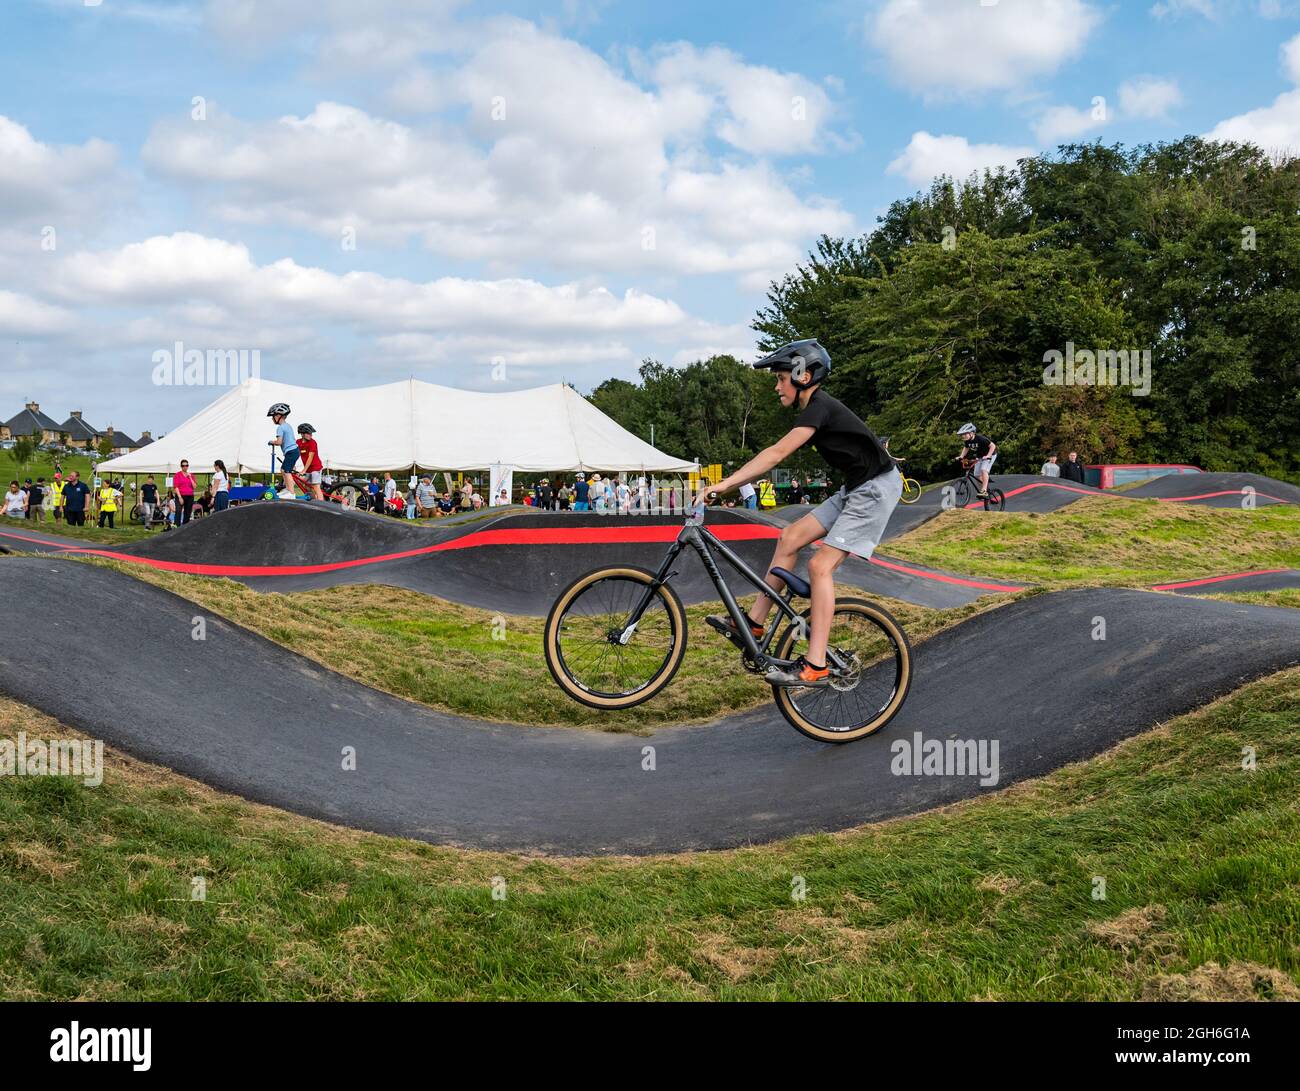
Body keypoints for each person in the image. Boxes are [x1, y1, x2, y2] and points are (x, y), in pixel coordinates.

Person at [696, 337, 900, 688]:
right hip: (855, 488)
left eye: (780, 378)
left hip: (875, 489)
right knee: (789, 537)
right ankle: (755, 624)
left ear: (803, 375)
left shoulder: (819, 406)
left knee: (820, 566)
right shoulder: (816, 408)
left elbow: (776, 454)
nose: (777, 387)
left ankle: (816, 663)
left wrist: (724, 484)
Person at [955, 423, 997, 498]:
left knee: (983, 470)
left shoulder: (980, 438)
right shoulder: (967, 441)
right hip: (980, 457)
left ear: (972, 433)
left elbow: (993, 446)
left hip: (991, 455)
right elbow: (966, 448)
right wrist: (961, 456)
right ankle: (984, 490)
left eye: (965, 434)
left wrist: (988, 456)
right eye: (962, 434)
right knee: (977, 475)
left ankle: (984, 490)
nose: (963, 436)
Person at [266, 403, 299, 498]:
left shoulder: (280, 428)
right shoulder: (287, 425)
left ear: (278, 416)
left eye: (273, 417)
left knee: (286, 471)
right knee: (283, 470)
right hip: (294, 451)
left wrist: (272, 442)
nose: (272, 419)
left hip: (291, 451)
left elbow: (279, 442)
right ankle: (288, 489)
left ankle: (291, 493)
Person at [294, 427, 324, 501]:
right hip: (308, 469)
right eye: (308, 433)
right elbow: (295, 454)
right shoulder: (298, 442)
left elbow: (310, 458)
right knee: (308, 487)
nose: (311, 435)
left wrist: (304, 470)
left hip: (315, 468)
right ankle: (314, 502)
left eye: (311, 433)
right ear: (302, 434)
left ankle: (322, 505)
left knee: (316, 486)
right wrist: (293, 464)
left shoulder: (312, 442)